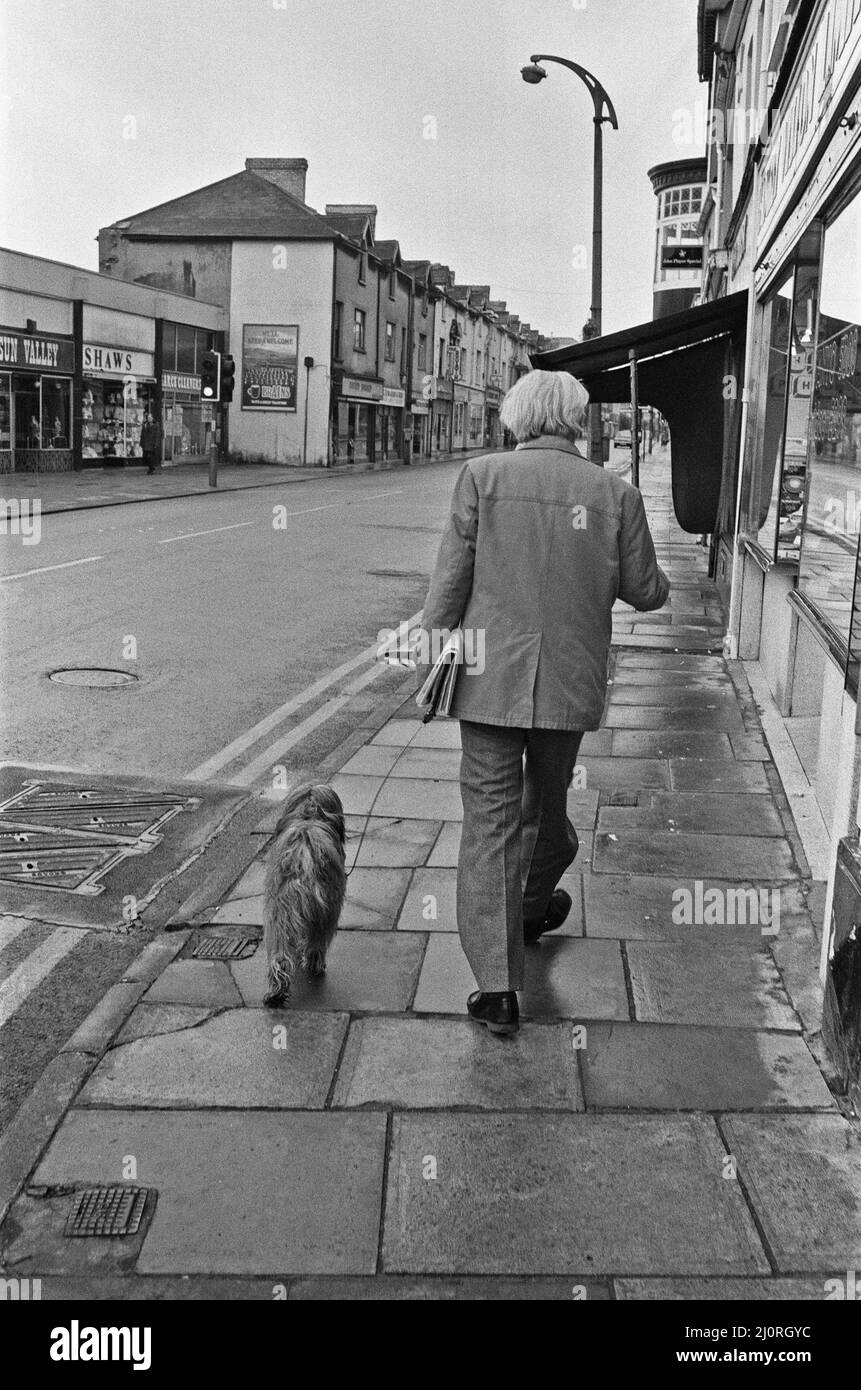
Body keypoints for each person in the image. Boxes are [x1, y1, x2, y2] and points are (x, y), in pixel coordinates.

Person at [419, 369, 670, 1036]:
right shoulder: (614, 493)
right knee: (546, 812)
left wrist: (430, 657)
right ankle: (530, 905)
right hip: (569, 681)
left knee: (490, 825)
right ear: (576, 419)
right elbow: (647, 591)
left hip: (489, 682)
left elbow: (450, 583)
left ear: (518, 416)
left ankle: (498, 987)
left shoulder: (482, 478)